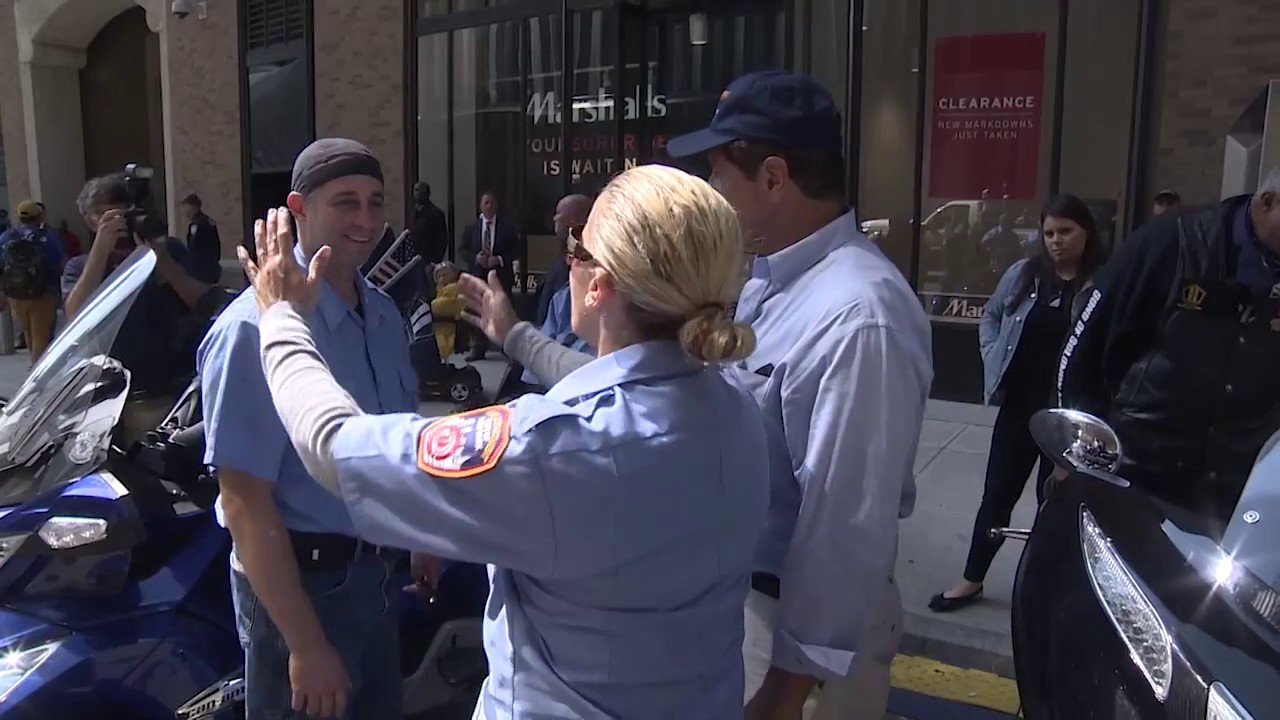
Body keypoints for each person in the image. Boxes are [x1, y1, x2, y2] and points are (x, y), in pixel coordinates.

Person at [460, 70, 934, 720]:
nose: (708, 194)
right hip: (735, 607)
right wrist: (515, 335)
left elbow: (844, 523)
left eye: (717, 175)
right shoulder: (766, 281)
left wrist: (786, 691)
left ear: (773, 177)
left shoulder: (858, 312)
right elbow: (648, 395)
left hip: (793, 638)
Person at [237, 164, 778, 718]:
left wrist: (280, 318)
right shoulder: (735, 408)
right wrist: (515, 335)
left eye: (577, 248)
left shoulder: (554, 450)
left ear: (600, 285)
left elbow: (333, 447)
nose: (568, 258)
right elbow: (616, 382)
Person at [199, 139, 415, 719]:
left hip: (377, 579)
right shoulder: (253, 328)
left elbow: (394, 439)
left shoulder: (385, 316)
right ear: (298, 208)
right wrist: (305, 644)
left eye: (376, 202)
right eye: (346, 203)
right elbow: (244, 501)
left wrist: (420, 535)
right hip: (303, 592)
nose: (367, 221)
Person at [1058, 165, 1280, 529]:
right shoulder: (1172, 241)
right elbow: (1083, 345)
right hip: (1141, 470)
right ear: (1267, 204)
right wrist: (1074, 450)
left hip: (1234, 491)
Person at [930, 194, 1109, 612]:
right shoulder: (1024, 275)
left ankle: (1043, 592)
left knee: (1056, 508)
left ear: (1086, 232)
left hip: (1067, 420)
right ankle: (971, 580)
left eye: (1066, 231)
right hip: (1019, 409)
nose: (1056, 241)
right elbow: (991, 317)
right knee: (997, 495)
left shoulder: (1103, 284)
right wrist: (994, 359)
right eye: (1049, 233)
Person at [63, 175, 224, 440]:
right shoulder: (81, 267)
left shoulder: (167, 250)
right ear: (92, 220)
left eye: (127, 213)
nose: (123, 223)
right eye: (110, 215)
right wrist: (101, 250)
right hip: (111, 394)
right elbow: (75, 315)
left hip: (171, 389)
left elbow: (202, 300)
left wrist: (158, 257)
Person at [0, 200, 65, 362]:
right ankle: (37, 375)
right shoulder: (46, 236)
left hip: (15, 294)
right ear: (39, 215)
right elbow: (59, 261)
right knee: (41, 336)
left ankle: (34, 362)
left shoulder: (7, 237)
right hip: (42, 292)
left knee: (29, 332)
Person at [461, 191, 522, 360]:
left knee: (503, 311)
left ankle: (506, 346)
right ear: (480, 206)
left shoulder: (507, 227)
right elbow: (462, 250)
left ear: (497, 206)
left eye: (492, 203)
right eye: (486, 202)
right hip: (479, 276)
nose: (489, 206)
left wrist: (500, 259)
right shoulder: (471, 227)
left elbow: (517, 250)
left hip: (501, 277)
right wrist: (475, 258)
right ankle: (478, 348)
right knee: (479, 310)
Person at [535, 194, 593, 327]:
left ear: (572, 220)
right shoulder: (560, 261)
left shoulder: (583, 268)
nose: (554, 220)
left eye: (558, 215)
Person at [179, 193, 224, 284]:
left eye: (185, 206)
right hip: (211, 267)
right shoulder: (208, 220)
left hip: (201, 270)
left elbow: (194, 248)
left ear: (192, 207)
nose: (183, 210)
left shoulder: (198, 224)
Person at [411, 181, 450, 266]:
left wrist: (434, 262)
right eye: (415, 190)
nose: (417, 193)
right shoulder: (412, 212)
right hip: (412, 261)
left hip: (428, 262)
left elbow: (441, 240)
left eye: (420, 190)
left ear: (427, 193)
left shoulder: (436, 214)